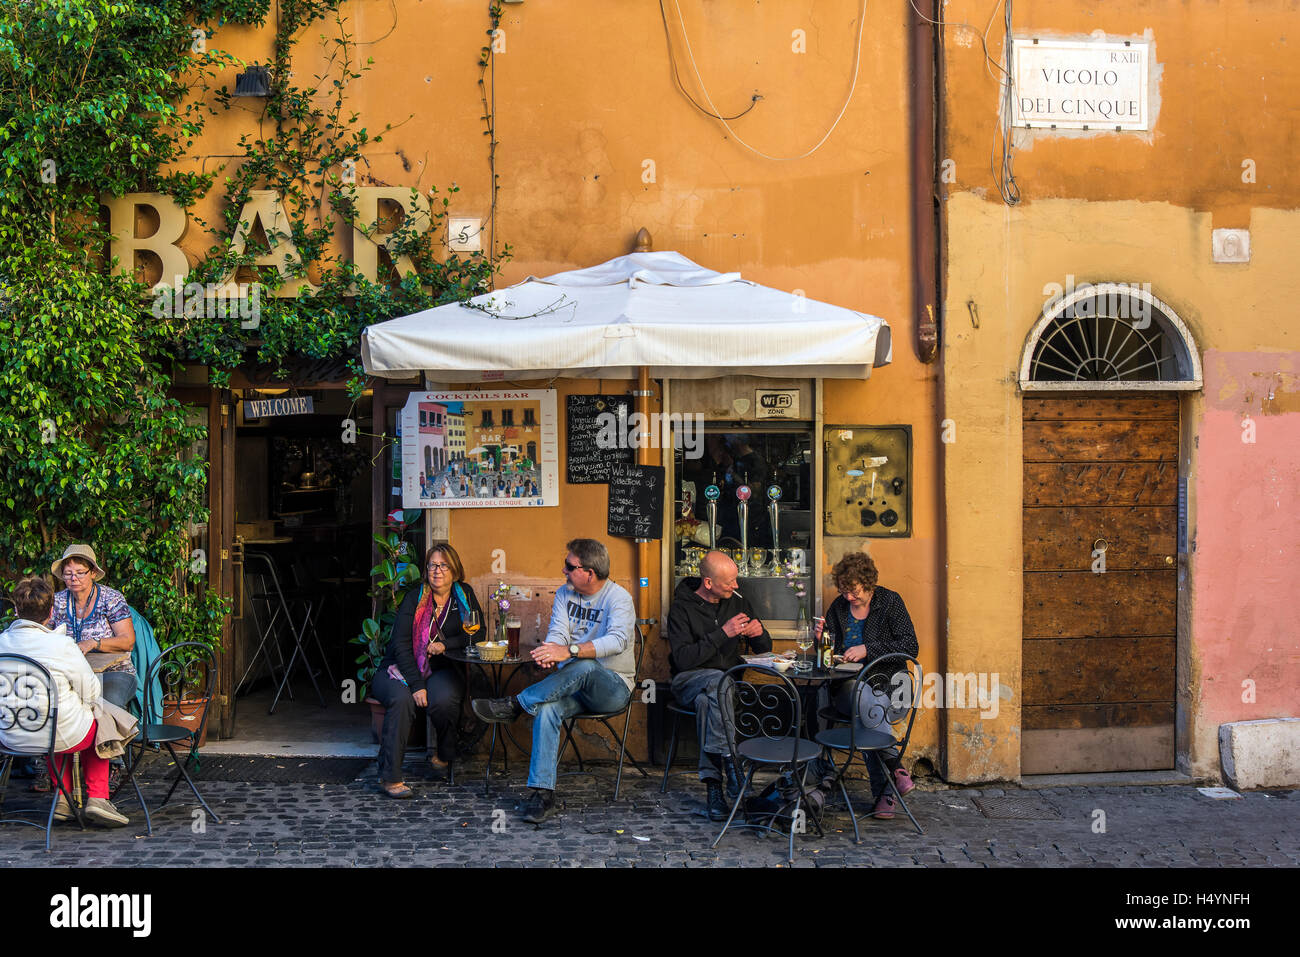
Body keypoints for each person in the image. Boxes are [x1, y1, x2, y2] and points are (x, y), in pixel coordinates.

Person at [472, 538, 635, 824]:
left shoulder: (618, 598)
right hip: (572, 684)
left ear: (590, 573)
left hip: (612, 686)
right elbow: (559, 631)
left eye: (570, 566)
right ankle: (544, 796)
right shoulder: (565, 593)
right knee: (547, 709)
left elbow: (618, 641)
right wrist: (552, 650)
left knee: (585, 665)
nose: (564, 571)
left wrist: (569, 651)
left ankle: (517, 704)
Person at [0, 576, 130, 827]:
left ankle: (63, 797)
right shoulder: (61, 644)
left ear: (15, 610)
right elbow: (91, 692)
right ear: (50, 613)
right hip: (57, 735)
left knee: (55, 718)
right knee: (96, 714)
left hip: (9, 736)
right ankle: (98, 797)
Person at [664, 550, 771, 821]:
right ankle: (732, 765)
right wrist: (723, 633)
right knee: (716, 682)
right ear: (708, 583)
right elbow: (684, 660)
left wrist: (760, 634)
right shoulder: (681, 608)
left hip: (724, 688)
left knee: (709, 701)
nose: (736, 586)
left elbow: (764, 649)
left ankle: (714, 789)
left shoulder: (737, 601)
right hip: (687, 681)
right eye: (729, 582)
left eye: (736, 580)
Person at [371, 543, 483, 797]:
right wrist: (416, 684)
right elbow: (400, 645)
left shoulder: (464, 595)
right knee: (402, 701)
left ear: (454, 570)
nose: (437, 571)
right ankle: (390, 778)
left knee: (443, 700)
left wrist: (446, 645)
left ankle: (444, 753)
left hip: (441, 667)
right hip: (397, 669)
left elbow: (478, 634)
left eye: (443, 565)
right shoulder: (415, 597)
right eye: (432, 565)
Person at [816, 552, 919, 819]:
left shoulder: (890, 602)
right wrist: (823, 642)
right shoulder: (838, 608)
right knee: (864, 700)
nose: (848, 597)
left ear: (869, 582)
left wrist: (867, 649)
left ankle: (884, 792)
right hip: (848, 689)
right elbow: (832, 655)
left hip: (892, 689)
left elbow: (910, 646)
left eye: (854, 591)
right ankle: (894, 771)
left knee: (868, 710)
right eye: (843, 591)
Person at [49, 545, 137, 711]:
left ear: (93, 573)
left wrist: (93, 643)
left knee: (107, 704)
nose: (74, 578)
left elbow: (128, 641)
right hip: (72, 674)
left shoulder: (111, 598)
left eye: (80, 572)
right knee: (54, 702)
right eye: (68, 574)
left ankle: (112, 738)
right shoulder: (57, 602)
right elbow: (44, 636)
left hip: (113, 672)